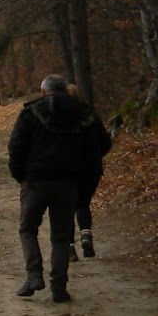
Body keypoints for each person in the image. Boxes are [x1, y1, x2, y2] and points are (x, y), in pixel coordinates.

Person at [7, 73, 112, 303]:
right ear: (65, 90)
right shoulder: (85, 114)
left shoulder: (30, 113)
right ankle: (58, 288)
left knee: (27, 230)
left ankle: (34, 275)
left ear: (43, 92)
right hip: (68, 183)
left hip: (35, 181)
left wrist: (21, 176)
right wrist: (84, 172)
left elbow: (15, 147)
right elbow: (104, 144)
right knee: (61, 238)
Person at [67, 83, 103, 257]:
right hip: (90, 169)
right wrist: (95, 157)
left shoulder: (57, 116)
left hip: (66, 169)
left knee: (65, 207)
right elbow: (105, 142)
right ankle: (86, 236)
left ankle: (69, 248)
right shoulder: (90, 115)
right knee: (82, 204)